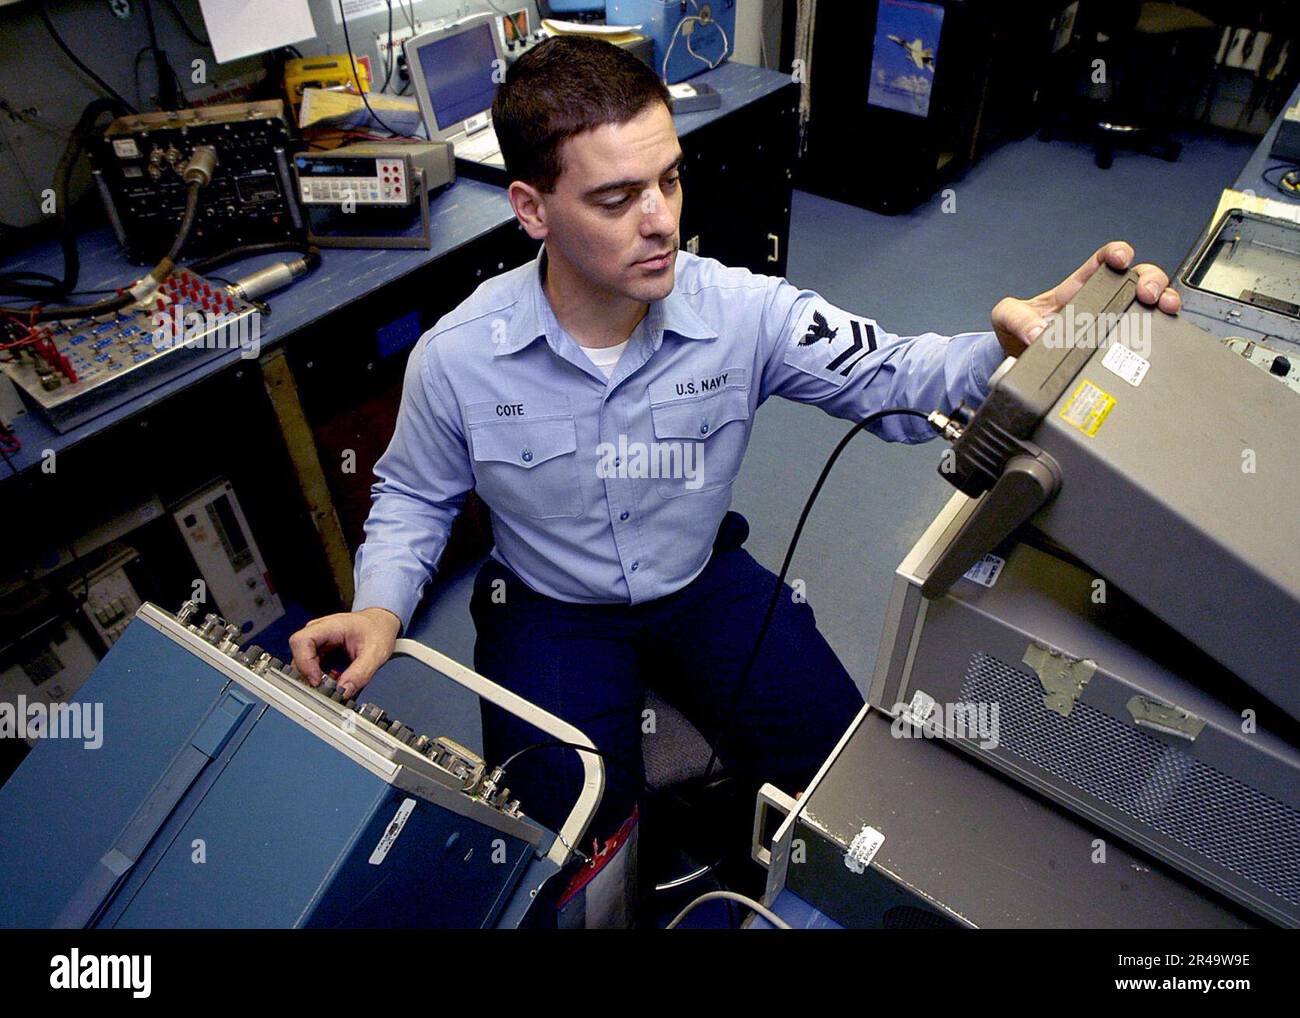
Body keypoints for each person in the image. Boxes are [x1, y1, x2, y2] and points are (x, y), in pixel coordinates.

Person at [289, 36, 1181, 849]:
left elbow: (896, 378)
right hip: (550, 610)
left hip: (700, 581)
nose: (661, 220)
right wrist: (380, 610)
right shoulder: (457, 358)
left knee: (844, 789)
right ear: (531, 208)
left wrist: (1008, 351)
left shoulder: (743, 312)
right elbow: (413, 498)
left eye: (669, 180)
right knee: (565, 849)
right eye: (616, 197)